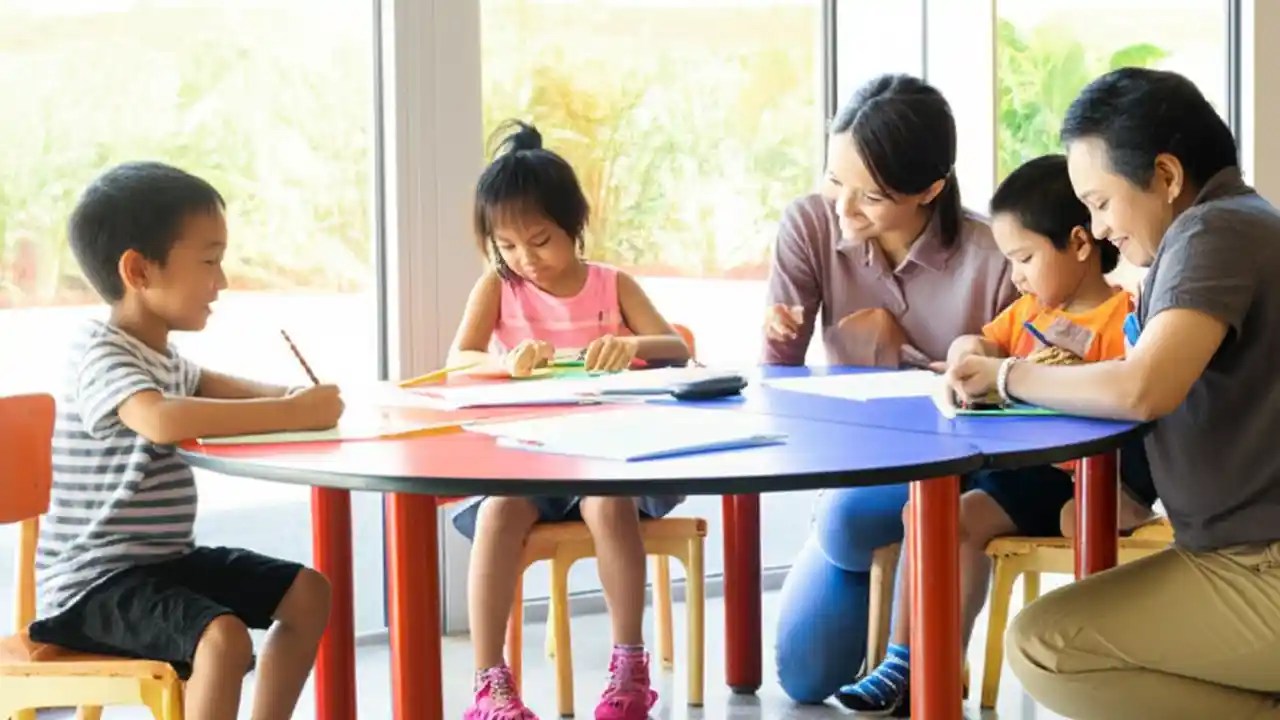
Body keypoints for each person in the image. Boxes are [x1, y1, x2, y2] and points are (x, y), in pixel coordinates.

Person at [948, 67, 1280, 719]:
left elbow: (1143, 388)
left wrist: (1007, 379)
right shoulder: (1236, 222)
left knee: (1046, 644)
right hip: (1237, 554)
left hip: (1260, 566)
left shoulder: (1213, 232)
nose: (1098, 232)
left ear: (1165, 176)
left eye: (1100, 203)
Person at [839, 154, 1157, 715]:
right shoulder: (1026, 312)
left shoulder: (1121, 320)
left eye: (1026, 258)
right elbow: (977, 343)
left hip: (1080, 474)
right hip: (1020, 474)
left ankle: (1124, 509)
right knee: (931, 513)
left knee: (1068, 515)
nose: (1017, 276)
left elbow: (1132, 403)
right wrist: (967, 356)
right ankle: (911, 663)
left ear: (1081, 243)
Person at [29, 162, 341, 720]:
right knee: (223, 640)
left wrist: (295, 396)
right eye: (209, 261)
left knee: (308, 593)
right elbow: (160, 420)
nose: (221, 281)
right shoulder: (100, 353)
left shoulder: (162, 355)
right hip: (92, 582)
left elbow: (221, 389)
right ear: (138, 270)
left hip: (161, 563)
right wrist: (290, 411)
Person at [765, 73, 1018, 703]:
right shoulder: (810, 225)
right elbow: (779, 382)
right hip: (856, 462)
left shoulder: (993, 257)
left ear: (930, 189)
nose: (843, 210)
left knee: (854, 515)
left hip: (960, 471)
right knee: (804, 680)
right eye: (834, 182)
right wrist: (777, 341)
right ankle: (884, 565)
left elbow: (1014, 403)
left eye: (870, 198)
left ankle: (917, 648)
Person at [448, 120, 690, 720]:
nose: (525, 259)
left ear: (573, 227)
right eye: (507, 246)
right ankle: (490, 684)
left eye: (540, 240)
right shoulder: (497, 290)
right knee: (499, 511)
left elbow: (677, 348)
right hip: (526, 457)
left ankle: (629, 670)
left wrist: (630, 345)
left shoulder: (611, 285)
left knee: (609, 503)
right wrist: (504, 362)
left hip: (604, 458)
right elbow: (458, 361)